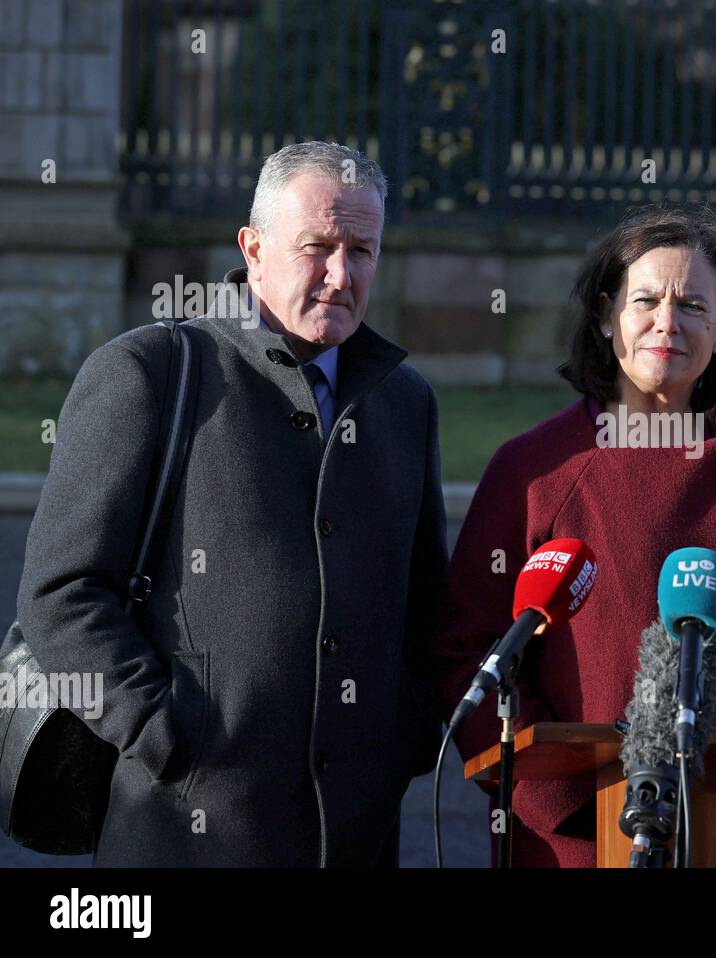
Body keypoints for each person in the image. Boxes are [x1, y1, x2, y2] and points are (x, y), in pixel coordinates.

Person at [17, 141, 448, 866]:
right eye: (318, 247)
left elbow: (428, 608)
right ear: (253, 248)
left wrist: (402, 738)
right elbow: (62, 593)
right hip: (180, 832)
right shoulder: (148, 372)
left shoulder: (406, 402)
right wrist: (164, 735)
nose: (342, 275)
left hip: (354, 837)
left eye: (362, 251)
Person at [432, 205, 716, 867]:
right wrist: (564, 798)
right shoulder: (535, 471)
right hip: (583, 836)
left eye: (694, 304)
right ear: (607, 317)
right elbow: (470, 654)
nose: (668, 322)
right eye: (646, 300)